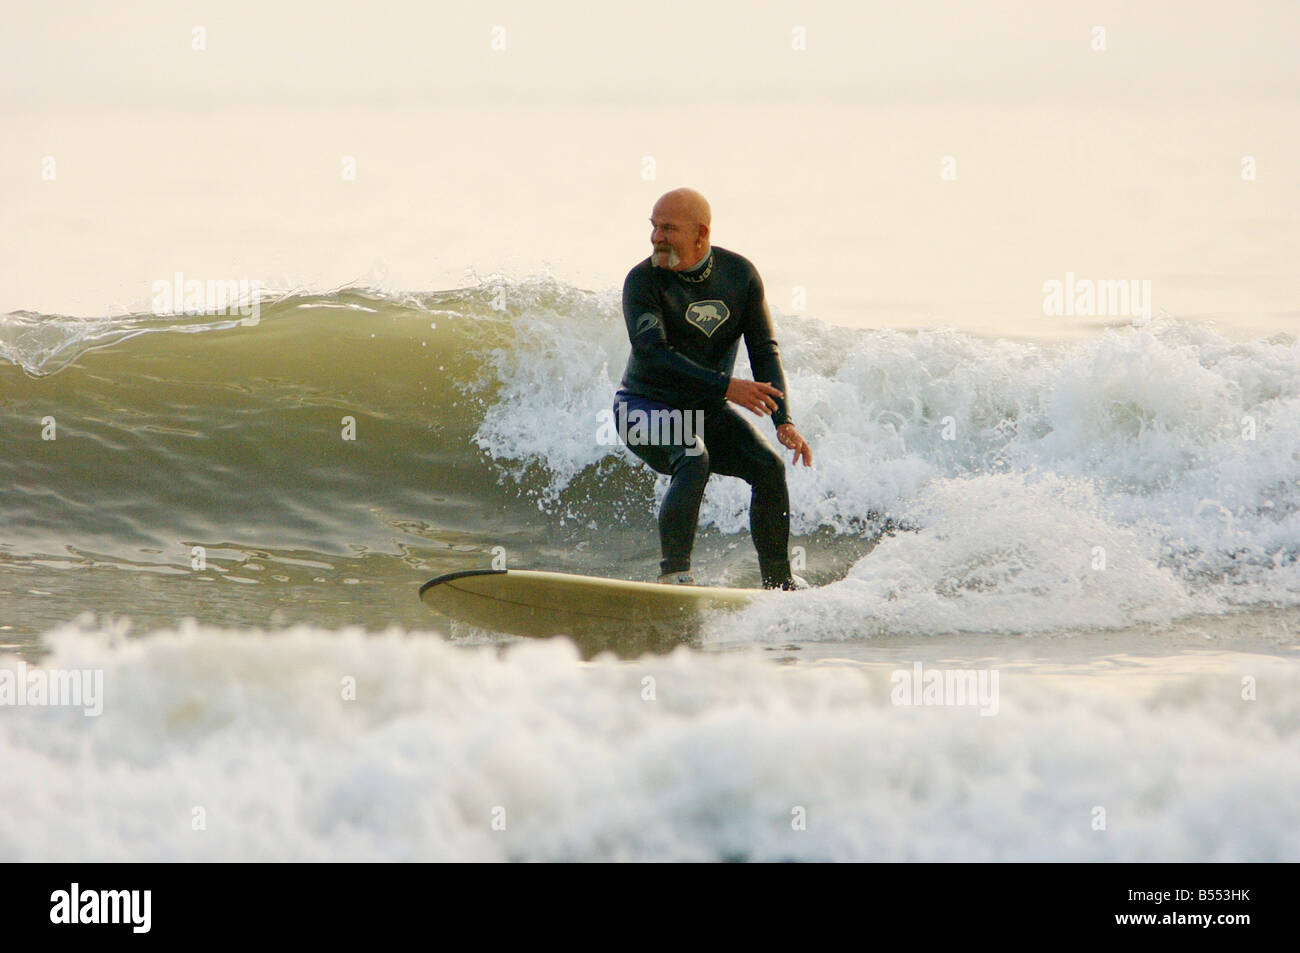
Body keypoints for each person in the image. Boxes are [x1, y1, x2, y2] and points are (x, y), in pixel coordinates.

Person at [612, 187, 812, 590]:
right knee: (692, 455)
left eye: (668, 228)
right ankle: (676, 577)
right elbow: (653, 354)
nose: (656, 238)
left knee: (769, 470)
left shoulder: (739, 276)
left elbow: (763, 350)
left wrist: (783, 419)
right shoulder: (642, 281)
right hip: (641, 408)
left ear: (700, 234)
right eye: (653, 228)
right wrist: (726, 387)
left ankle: (779, 585)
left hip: (705, 409)